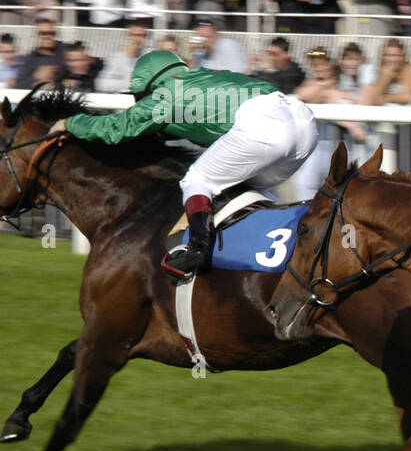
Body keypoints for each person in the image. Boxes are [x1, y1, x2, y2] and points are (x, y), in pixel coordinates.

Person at [49, 50, 318, 279]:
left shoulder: (167, 92)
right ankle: (284, 244)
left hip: (265, 126)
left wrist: (70, 123)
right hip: (304, 124)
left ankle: (197, 249)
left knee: (196, 179)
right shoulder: (205, 76)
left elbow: (119, 127)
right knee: (244, 190)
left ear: (152, 85)